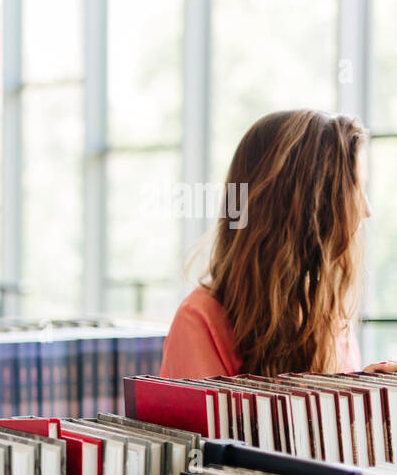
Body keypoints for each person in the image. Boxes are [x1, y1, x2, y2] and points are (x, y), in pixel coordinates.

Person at [162, 108, 394, 379]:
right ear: (309, 206)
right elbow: (218, 423)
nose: (367, 210)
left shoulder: (329, 313)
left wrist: (363, 396)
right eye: (355, 187)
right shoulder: (200, 320)